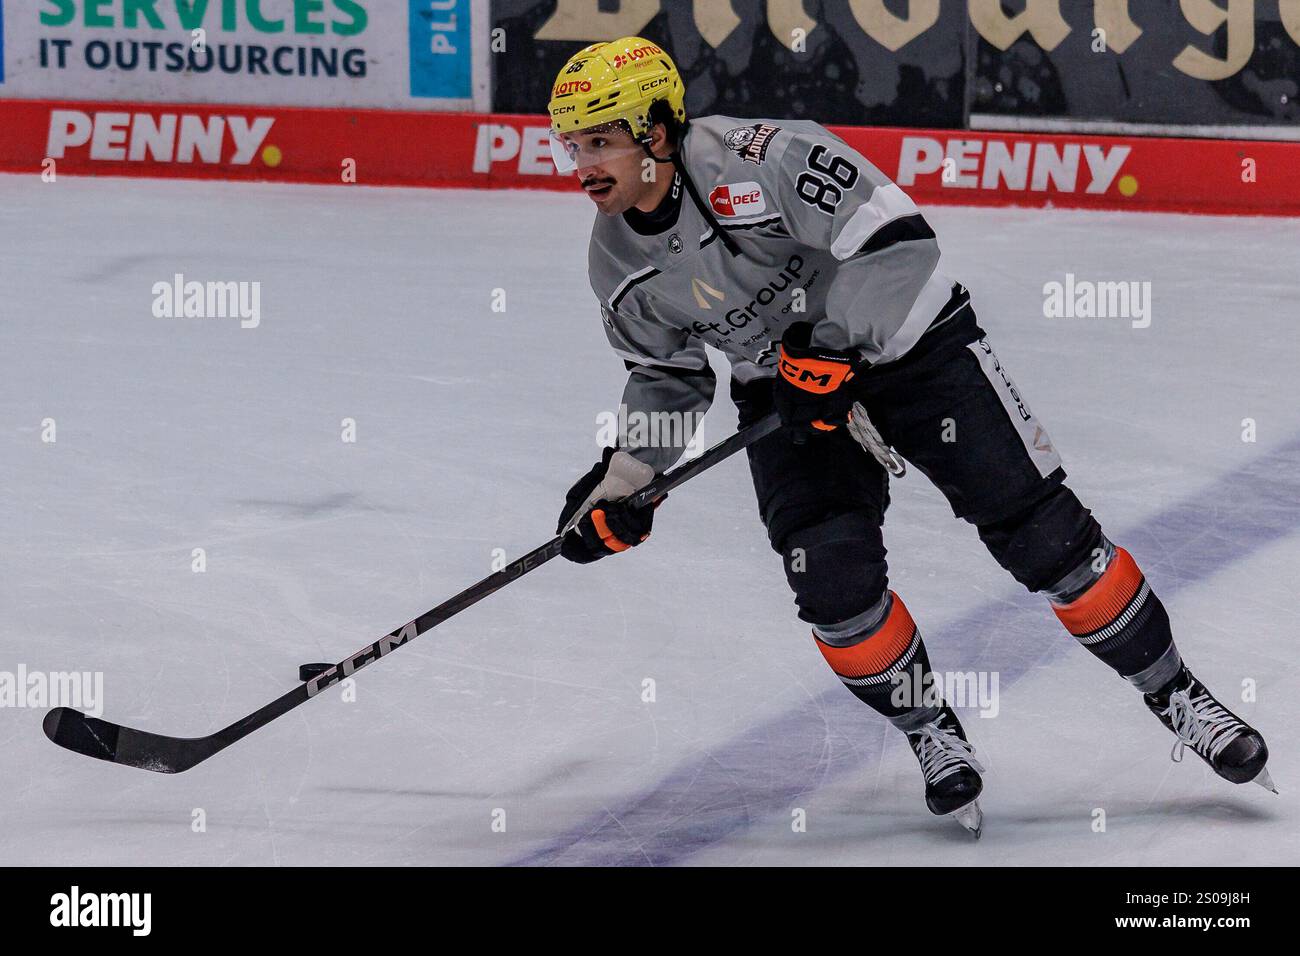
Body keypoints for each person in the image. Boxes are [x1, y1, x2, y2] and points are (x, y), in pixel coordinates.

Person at [547, 36, 1272, 835]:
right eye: (572, 145)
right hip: (787, 394)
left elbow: (897, 236)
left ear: (654, 130)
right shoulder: (614, 262)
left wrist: (831, 344)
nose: (581, 164)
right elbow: (670, 378)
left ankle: (1177, 694)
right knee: (829, 580)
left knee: (1044, 538)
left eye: (599, 140)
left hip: (911, 345)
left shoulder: (764, 158)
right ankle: (930, 728)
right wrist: (623, 482)